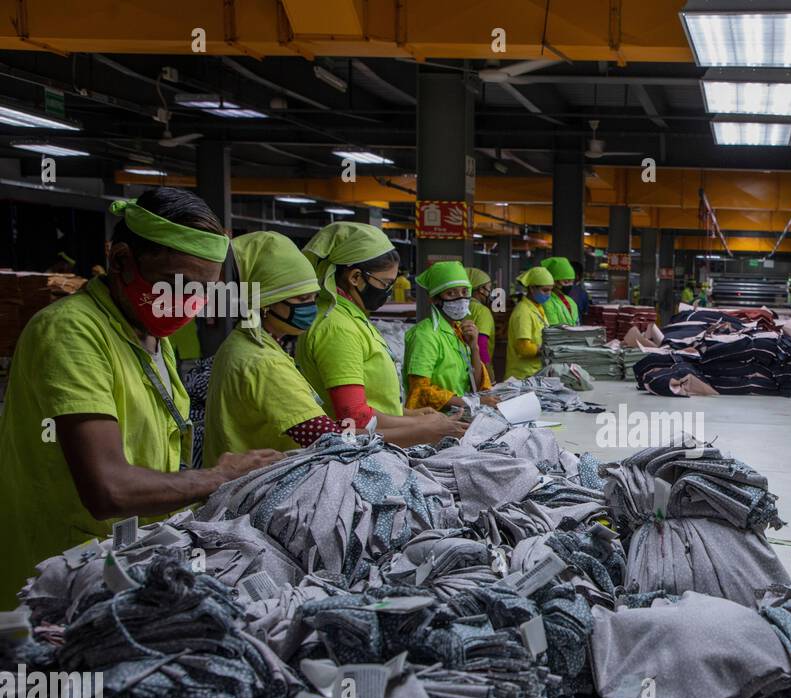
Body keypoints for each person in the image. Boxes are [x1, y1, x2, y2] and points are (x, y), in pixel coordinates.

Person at [0, 188, 279, 608]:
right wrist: (217, 477)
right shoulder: (70, 332)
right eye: (178, 285)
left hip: (123, 567)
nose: (187, 303)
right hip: (60, 578)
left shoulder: (152, 338)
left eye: (203, 292)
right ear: (121, 260)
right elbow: (107, 489)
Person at [205, 233, 465, 464]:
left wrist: (412, 419)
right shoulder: (261, 360)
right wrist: (421, 430)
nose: (311, 307)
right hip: (254, 487)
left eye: (312, 297)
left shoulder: (256, 345)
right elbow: (327, 439)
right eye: (301, 299)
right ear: (266, 302)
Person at [297, 222, 404, 425]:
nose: (388, 292)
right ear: (355, 277)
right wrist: (424, 427)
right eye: (385, 283)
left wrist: (414, 416)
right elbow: (354, 415)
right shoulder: (336, 327)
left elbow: (373, 403)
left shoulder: (351, 316)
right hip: (358, 444)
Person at [404, 261, 497, 413]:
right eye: (451, 293)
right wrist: (471, 402)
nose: (460, 298)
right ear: (434, 299)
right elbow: (420, 391)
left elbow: (475, 382)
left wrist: (474, 347)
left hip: (458, 415)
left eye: (464, 292)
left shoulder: (459, 331)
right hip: (431, 421)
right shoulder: (425, 335)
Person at [506, 266, 553, 380]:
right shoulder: (523, 312)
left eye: (551, 290)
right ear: (532, 288)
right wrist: (547, 350)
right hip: (522, 375)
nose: (549, 294)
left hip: (535, 372)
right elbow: (524, 348)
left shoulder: (537, 308)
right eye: (545, 290)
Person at [466, 267, 497, 362]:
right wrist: (487, 370)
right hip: (478, 366)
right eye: (489, 288)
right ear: (481, 290)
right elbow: (481, 345)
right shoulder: (483, 311)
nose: (490, 292)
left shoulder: (463, 307)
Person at [539, 256, 580, 325]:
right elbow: (553, 328)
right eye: (566, 282)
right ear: (553, 281)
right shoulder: (546, 302)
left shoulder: (571, 301)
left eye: (572, 282)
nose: (570, 285)